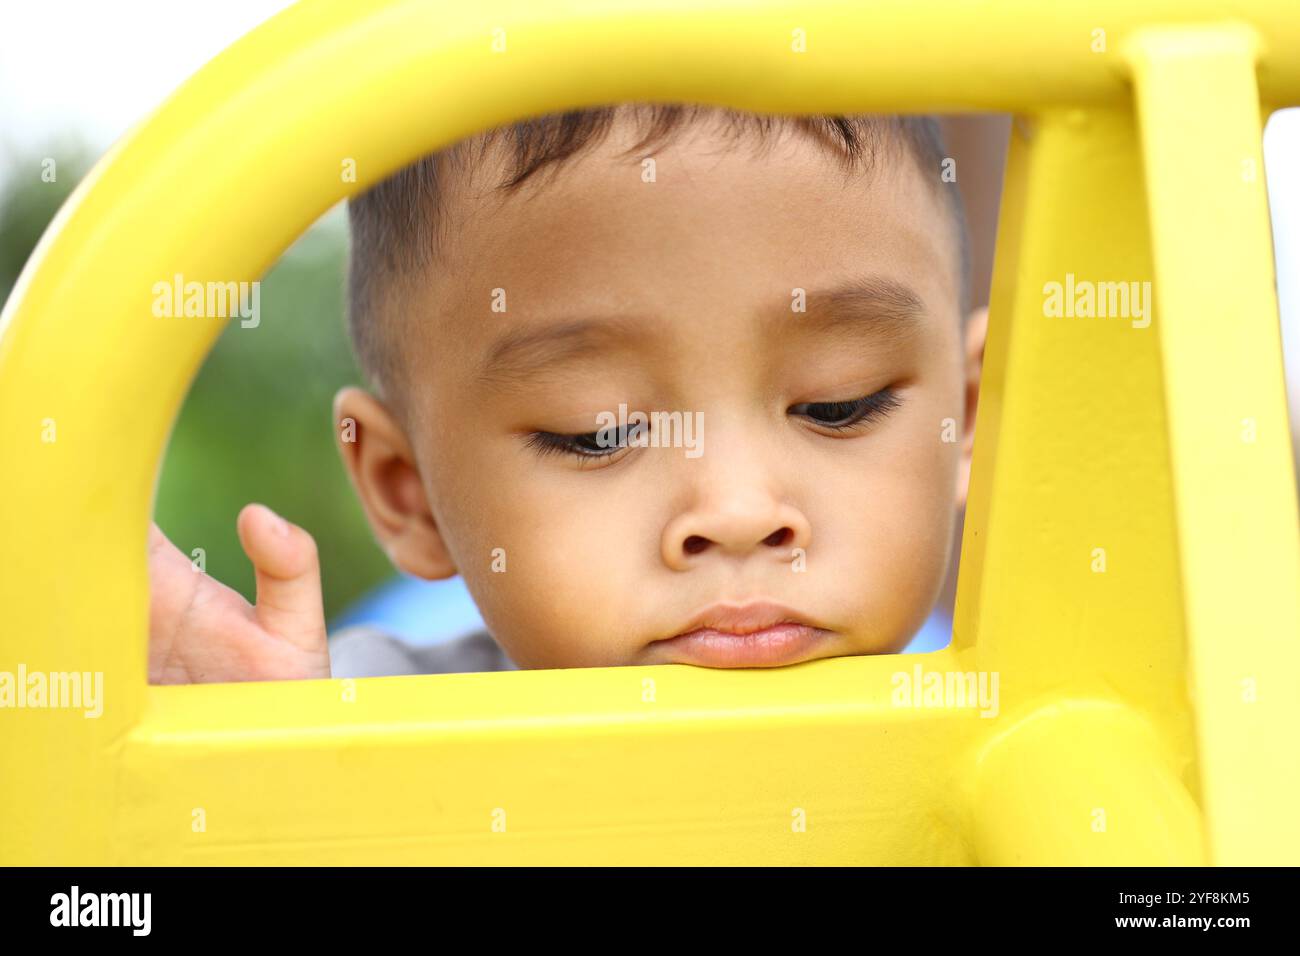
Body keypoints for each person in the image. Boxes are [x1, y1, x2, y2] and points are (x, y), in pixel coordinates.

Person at [147, 103, 987, 682]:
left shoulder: (1031, 720)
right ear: (412, 493)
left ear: (973, 416)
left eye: (840, 404)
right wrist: (249, 790)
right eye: (599, 434)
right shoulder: (361, 729)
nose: (738, 512)